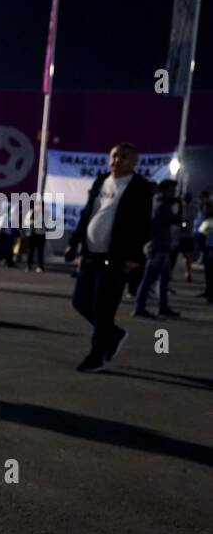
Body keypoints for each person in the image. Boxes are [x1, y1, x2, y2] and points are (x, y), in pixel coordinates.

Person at [65, 142, 150, 372]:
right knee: (80, 301)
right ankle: (113, 334)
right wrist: (74, 244)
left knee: (104, 309)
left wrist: (134, 256)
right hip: (91, 254)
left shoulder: (140, 187)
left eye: (123, 157)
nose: (116, 161)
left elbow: (143, 224)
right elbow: (87, 213)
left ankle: (97, 355)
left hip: (117, 257)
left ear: (134, 162)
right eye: (114, 156)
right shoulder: (101, 181)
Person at [133, 179, 181, 319]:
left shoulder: (156, 202)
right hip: (157, 248)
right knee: (148, 280)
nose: (174, 194)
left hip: (160, 247)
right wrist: (179, 205)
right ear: (164, 191)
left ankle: (162, 306)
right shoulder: (161, 206)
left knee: (163, 280)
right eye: (172, 191)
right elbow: (176, 220)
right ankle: (139, 308)